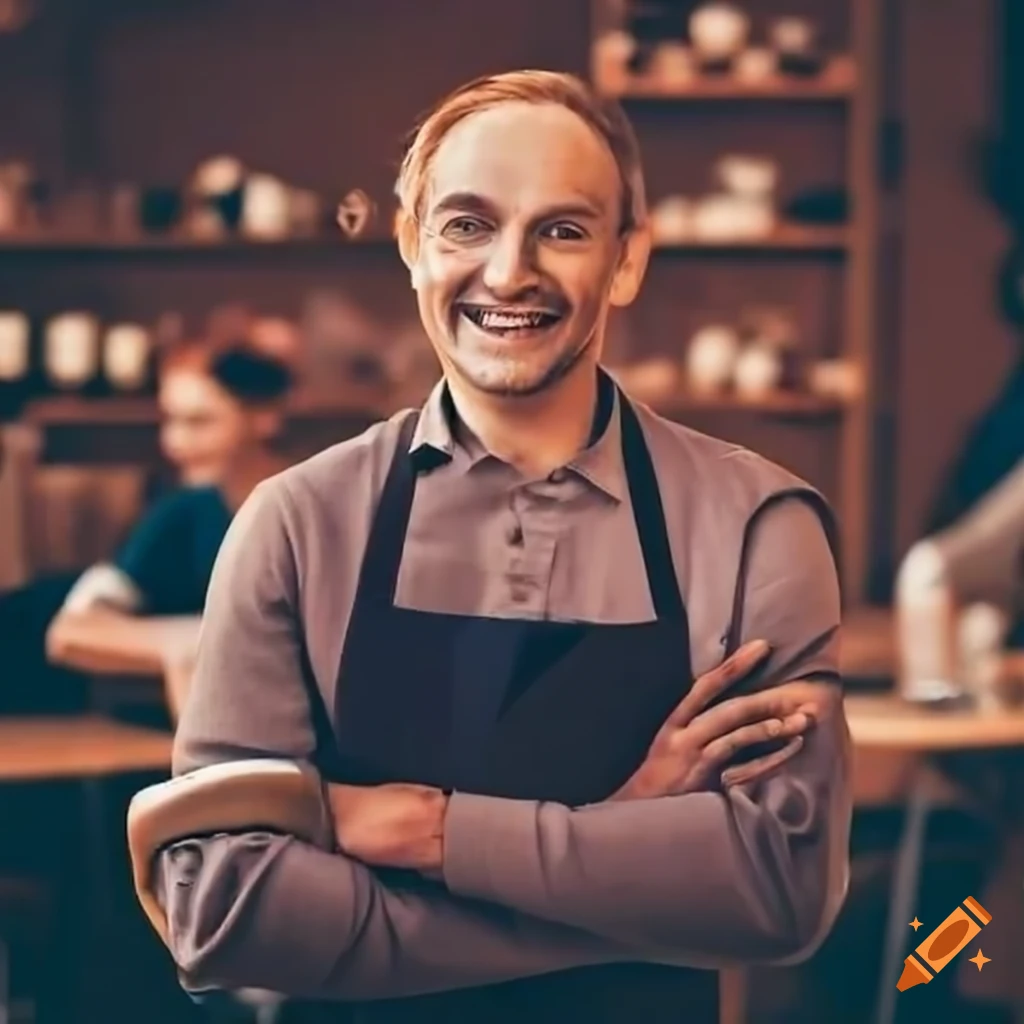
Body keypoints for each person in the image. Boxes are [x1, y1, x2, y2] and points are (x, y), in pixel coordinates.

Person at [153, 71, 851, 1022]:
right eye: (467, 225)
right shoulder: (295, 524)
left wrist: (433, 833)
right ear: (410, 242)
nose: (510, 271)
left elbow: (778, 887)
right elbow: (225, 909)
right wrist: (614, 849)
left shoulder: (757, 525)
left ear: (626, 260)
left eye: (561, 230)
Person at [0, 334, 292, 714]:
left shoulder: (310, 505)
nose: (175, 442)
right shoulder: (183, 513)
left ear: (264, 417)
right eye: (169, 421)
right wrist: (191, 640)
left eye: (199, 422)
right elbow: (68, 633)